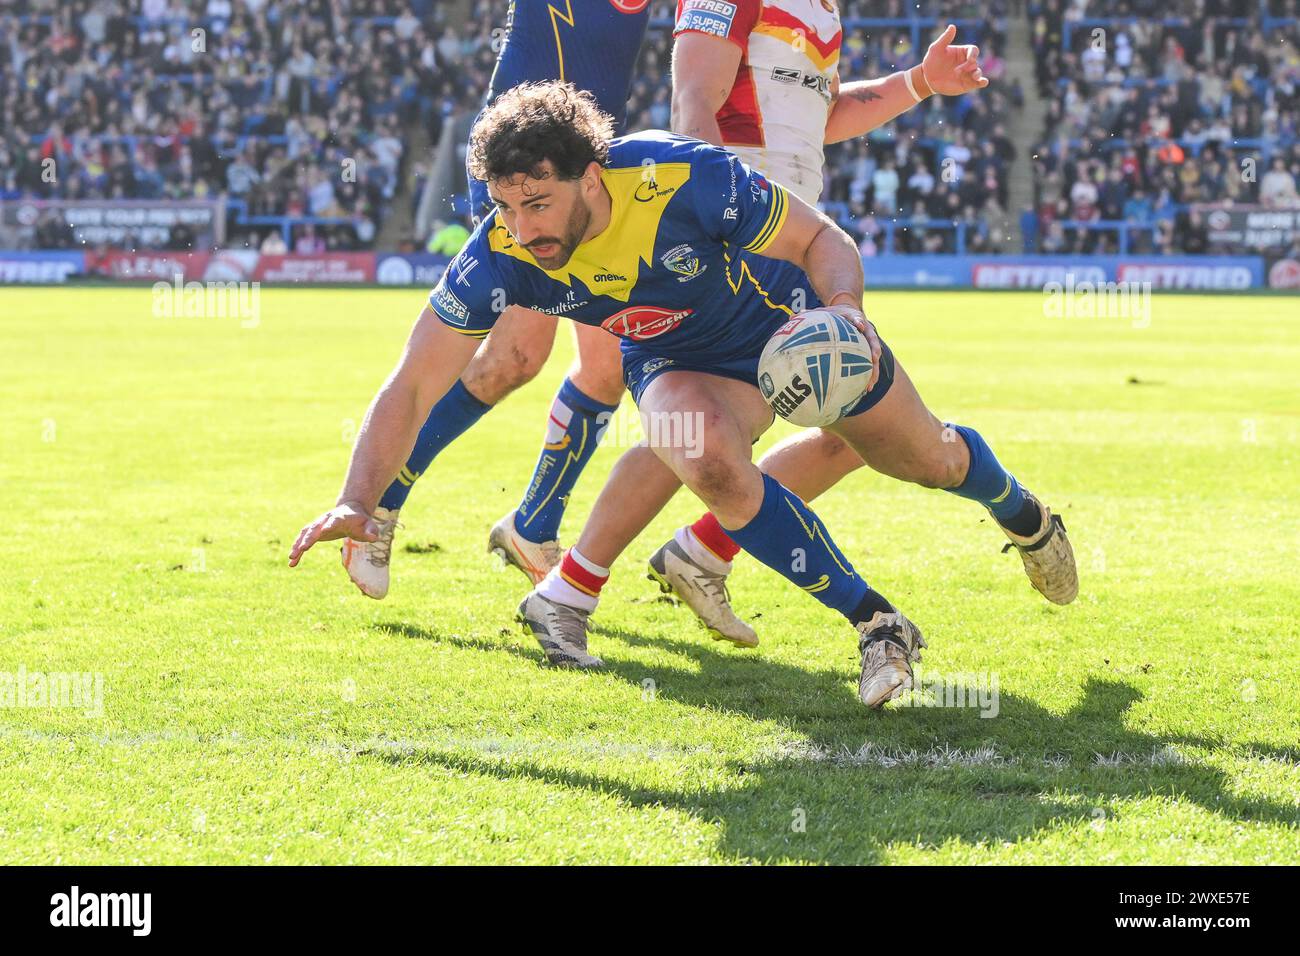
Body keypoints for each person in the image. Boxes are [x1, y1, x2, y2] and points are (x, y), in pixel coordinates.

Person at [291, 83, 1077, 709]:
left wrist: (845, 312)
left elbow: (820, 239)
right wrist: (358, 498)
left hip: (790, 328)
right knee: (702, 457)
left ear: (589, 177)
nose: (523, 229)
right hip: (673, 356)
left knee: (932, 461)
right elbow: (414, 381)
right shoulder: (501, 251)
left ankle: (1023, 514)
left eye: (538, 204)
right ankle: (877, 624)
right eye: (505, 206)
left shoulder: (679, 177)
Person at [341, 0, 653, 599]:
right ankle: (379, 504)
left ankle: (531, 527)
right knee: (514, 356)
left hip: (587, 167)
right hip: (521, 161)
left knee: (606, 367)